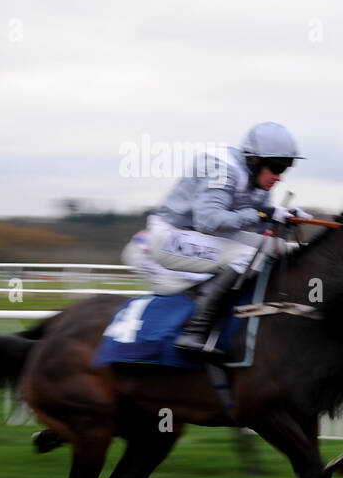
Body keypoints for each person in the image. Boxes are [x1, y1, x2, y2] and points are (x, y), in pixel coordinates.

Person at [127, 121, 309, 355]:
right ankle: (194, 330)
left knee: (283, 249)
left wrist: (285, 217)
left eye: (285, 168)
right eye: (276, 167)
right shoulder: (221, 168)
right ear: (253, 160)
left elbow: (261, 218)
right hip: (171, 237)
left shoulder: (258, 179)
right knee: (246, 256)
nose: (279, 177)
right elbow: (209, 220)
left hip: (204, 236)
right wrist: (265, 213)